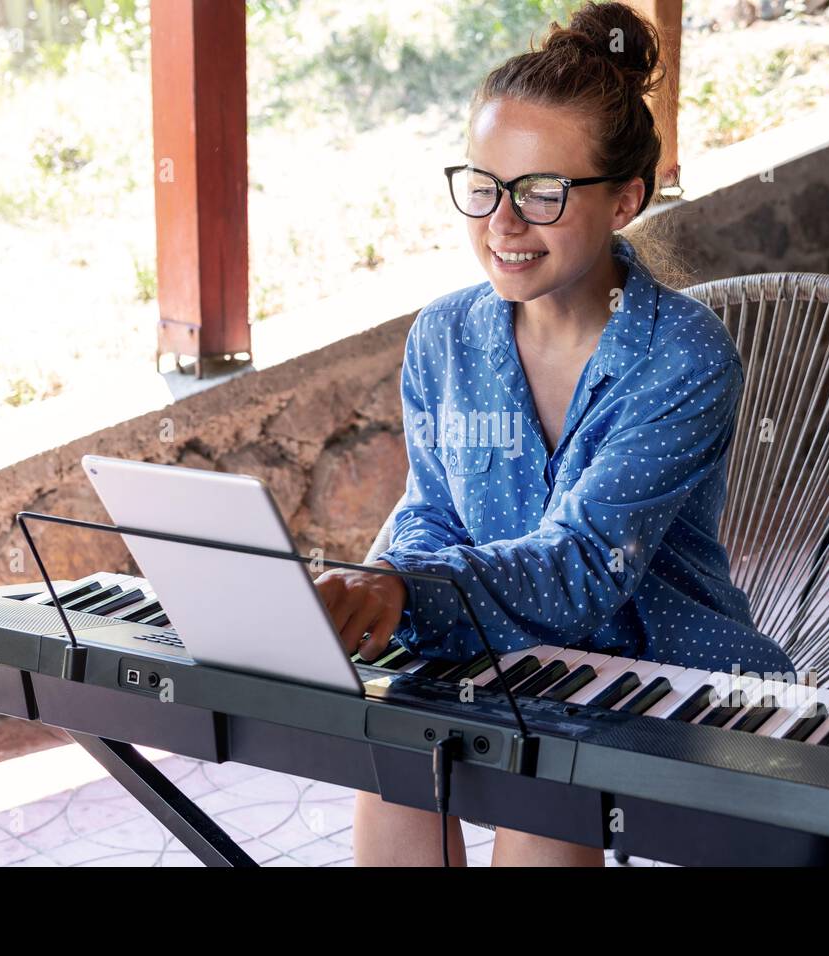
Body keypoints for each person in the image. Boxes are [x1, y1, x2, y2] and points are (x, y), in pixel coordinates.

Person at [313, 1, 795, 866]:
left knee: (544, 780)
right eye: (484, 186)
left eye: (541, 193)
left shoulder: (682, 357)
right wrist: (385, 574)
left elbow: (585, 568)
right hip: (502, 652)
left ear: (626, 201)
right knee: (391, 754)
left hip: (656, 668)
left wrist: (407, 591)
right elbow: (432, 511)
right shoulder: (445, 335)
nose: (501, 223)